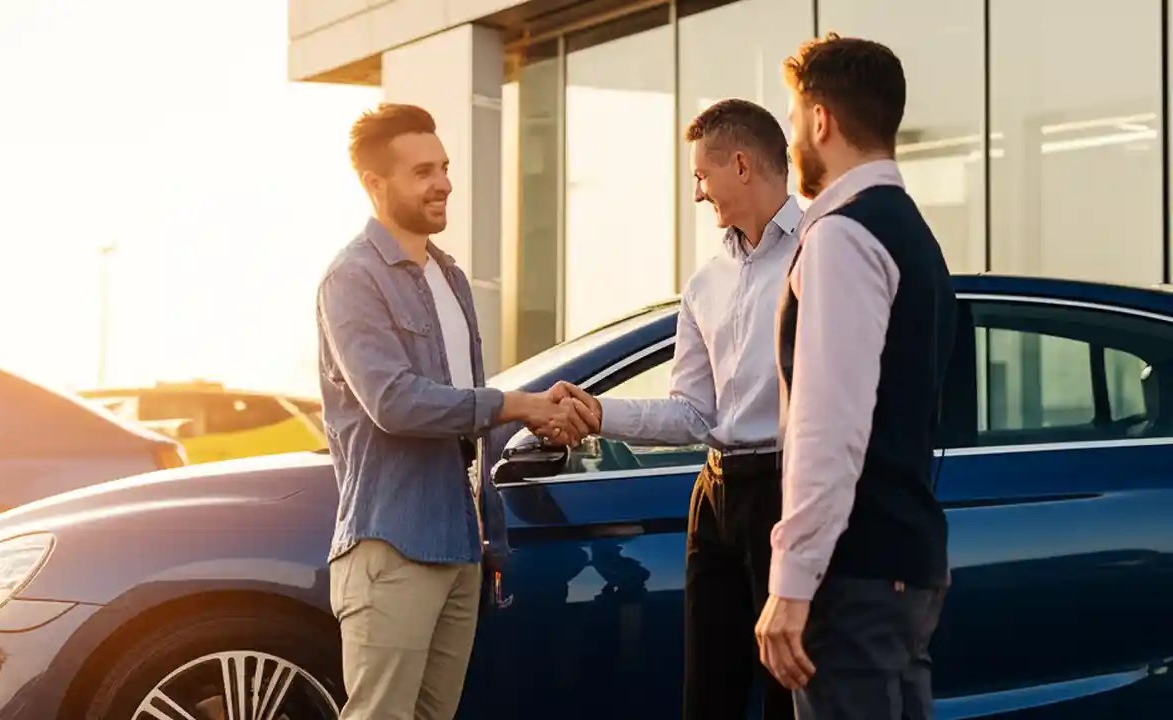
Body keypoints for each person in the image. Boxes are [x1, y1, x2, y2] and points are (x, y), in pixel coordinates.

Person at [317, 102, 598, 720]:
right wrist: (516, 404)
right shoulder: (352, 279)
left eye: (443, 167)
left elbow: (464, 414)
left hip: (461, 546)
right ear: (375, 183)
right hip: (392, 545)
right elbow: (395, 402)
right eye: (422, 171)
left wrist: (492, 534)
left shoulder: (451, 277)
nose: (443, 182)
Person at [552, 99, 800, 720]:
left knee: (788, 696)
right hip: (714, 497)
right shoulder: (705, 283)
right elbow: (692, 414)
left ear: (740, 164)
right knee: (707, 696)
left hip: (789, 493)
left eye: (701, 175)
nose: (697, 193)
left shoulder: (820, 253)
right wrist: (598, 413)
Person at [754, 33, 957, 720]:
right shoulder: (914, 235)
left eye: (791, 119)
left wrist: (792, 579)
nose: (793, 139)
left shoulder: (843, 234)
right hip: (903, 565)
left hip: (856, 572)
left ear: (819, 120)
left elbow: (828, 425)